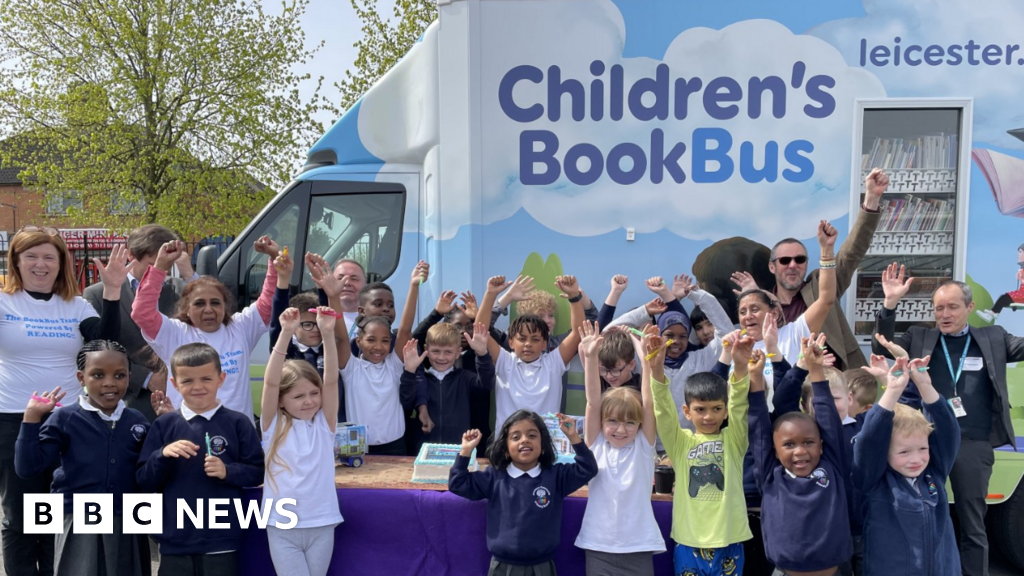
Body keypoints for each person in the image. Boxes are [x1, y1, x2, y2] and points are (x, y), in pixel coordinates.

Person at [872, 266, 1024, 576]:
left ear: (969, 308)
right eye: (939, 308)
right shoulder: (920, 336)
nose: (944, 314)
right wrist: (889, 303)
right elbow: (880, 344)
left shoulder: (993, 338)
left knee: (973, 525)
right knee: (923, 518)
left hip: (972, 446)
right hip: (925, 446)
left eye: (952, 306)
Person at [0, 226, 126, 576]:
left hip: (68, 423)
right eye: (32, 256)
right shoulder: (4, 301)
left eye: (49, 258)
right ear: (17, 262)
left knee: (56, 512)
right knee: (21, 515)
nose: (40, 265)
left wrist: (113, 291)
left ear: (60, 264)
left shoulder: (75, 306)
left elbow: (105, 345)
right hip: (14, 419)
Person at [15, 340, 151, 576]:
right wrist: (31, 419)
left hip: (128, 519)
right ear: (81, 378)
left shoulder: (137, 420)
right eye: (98, 375)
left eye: (119, 375)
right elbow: (27, 468)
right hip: (79, 518)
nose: (109, 383)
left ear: (129, 377)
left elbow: (150, 471)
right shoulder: (64, 418)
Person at [732, 169, 890, 370]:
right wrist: (755, 298)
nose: (792, 265)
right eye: (785, 260)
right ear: (772, 267)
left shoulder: (820, 287)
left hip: (835, 383)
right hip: (785, 388)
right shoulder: (765, 307)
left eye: (799, 259)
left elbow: (852, 253)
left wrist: (872, 199)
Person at [136, 342, 265, 576]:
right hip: (174, 538)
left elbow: (257, 472)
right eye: (187, 381)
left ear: (221, 378)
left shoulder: (238, 423)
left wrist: (228, 471)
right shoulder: (164, 425)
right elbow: (144, 481)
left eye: (206, 379)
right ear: (174, 384)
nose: (198, 387)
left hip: (222, 538)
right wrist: (162, 454)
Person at [132, 237, 277, 420]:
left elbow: (268, 302)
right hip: (186, 437)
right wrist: (160, 267)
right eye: (199, 304)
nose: (208, 309)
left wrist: (273, 259)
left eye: (215, 303)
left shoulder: (240, 327)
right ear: (187, 308)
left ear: (225, 306)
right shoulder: (174, 333)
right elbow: (141, 312)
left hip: (236, 437)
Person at [652, 327, 754, 576]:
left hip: (729, 538)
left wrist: (740, 368)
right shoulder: (681, 441)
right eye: (700, 410)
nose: (709, 416)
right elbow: (663, 413)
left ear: (725, 410)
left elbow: (740, 405)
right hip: (689, 540)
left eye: (716, 408)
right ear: (687, 412)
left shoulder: (734, 440)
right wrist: (656, 370)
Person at [448, 410, 598, 576]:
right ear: (506, 449)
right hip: (503, 567)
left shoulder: (556, 476)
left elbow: (588, 468)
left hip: (542, 567)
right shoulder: (494, 477)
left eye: (532, 435)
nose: (525, 440)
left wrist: (574, 437)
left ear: (542, 447)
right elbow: (458, 484)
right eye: (515, 437)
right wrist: (466, 451)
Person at [750, 335, 852, 576]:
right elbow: (758, 428)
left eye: (808, 442)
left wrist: (816, 370)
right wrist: (755, 378)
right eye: (789, 445)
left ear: (822, 445)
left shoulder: (831, 465)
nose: (800, 451)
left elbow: (827, 417)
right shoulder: (771, 475)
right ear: (775, 450)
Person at [854, 356, 961, 576]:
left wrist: (924, 385)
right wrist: (892, 391)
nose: (916, 459)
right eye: (904, 452)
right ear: (884, 452)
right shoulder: (875, 481)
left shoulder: (935, 474)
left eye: (922, 449)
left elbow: (948, 431)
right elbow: (869, 440)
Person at [575, 321, 666, 575]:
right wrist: (591, 356)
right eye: (612, 421)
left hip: (638, 546)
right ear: (603, 422)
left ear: (639, 425)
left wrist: (645, 355)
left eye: (629, 422)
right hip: (598, 545)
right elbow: (593, 402)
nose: (620, 429)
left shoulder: (643, 445)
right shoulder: (597, 444)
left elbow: (648, 400)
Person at [262, 307, 344, 576]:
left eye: (313, 393)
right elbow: (271, 383)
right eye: (298, 396)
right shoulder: (272, 426)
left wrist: (328, 334)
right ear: (282, 401)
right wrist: (285, 333)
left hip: (322, 523)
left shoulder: (324, 425)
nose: (309, 401)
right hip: (282, 525)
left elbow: (331, 381)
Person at [85, 224, 186, 421]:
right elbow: (95, 349)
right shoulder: (97, 294)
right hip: (127, 401)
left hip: (176, 401)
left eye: (165, 266)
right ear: (131, 255)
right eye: (153, 264)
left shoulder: (178, 291)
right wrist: (146, 378)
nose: (160, 271)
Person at [608, 275, 734, 431]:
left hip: (692, 446)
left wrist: (699, 296)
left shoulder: (701, 358)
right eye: (669, 335)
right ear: (659, 334)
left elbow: (727, 334)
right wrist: (645, 311)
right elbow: (606, 333)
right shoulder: (644, 360)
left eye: (683, 336)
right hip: (654, 448)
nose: (676, 341)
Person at [734, 220, 839, 404]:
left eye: (755, 309)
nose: (748, 316)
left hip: (788, 426)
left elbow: (826, 300)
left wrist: (827, 251)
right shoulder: (734, 347)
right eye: (742, 312)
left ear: (774, 314)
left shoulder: (793, 333)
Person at [332, 261, 427, 455]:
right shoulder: (351, 368)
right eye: (371, 340)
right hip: (358, 448)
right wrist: (332, 295)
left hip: (395, 446)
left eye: (385, 341)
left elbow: (405, 329)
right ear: (358, 342)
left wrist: (414, 285)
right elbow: (340, 336)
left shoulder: (394, 365)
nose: (378, 347)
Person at [477, 274, 585, 429]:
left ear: (544, 344)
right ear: (511, 342)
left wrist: (574, 296)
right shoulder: (504, 361)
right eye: (522, 339)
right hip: (506, 446)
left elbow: (578, 333)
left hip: (545, 446)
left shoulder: (553, 363)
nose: (528, 344)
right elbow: (481, 328)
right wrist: (490, 294)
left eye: (535, 339)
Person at [269, 253, 348, 422]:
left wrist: (321, 285)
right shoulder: (289, 353)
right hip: (297, 425)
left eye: (317, 323)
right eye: (306, 324)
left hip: (329, 424)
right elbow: (277, 324)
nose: (316, 330)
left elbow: (327, 315)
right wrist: (283, 280)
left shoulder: (329, 350)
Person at [399, 321, 494, 446]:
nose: (441, 357)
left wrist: (482, 354)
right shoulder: (421, 380)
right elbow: (407, 401)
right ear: (426, 350)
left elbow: (486, 384)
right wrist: (409, 371)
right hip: (424, 448)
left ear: (458, 353)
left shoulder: (465, 377)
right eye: (436, 351)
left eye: (448, 352)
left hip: (459, 449)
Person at [976, 242, 1024, 323]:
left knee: (1004, 297)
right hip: (1021, 293)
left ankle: (992, 313)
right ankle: (993, 312)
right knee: (1004, 297)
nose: (1017, 255)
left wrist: (1021, 276)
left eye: (1020, 252)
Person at [333, 258, 366, 338]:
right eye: (340, 278)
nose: (347, 283)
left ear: (365, 285)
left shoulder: (374, 319)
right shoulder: (319, 316)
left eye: (354, 279)